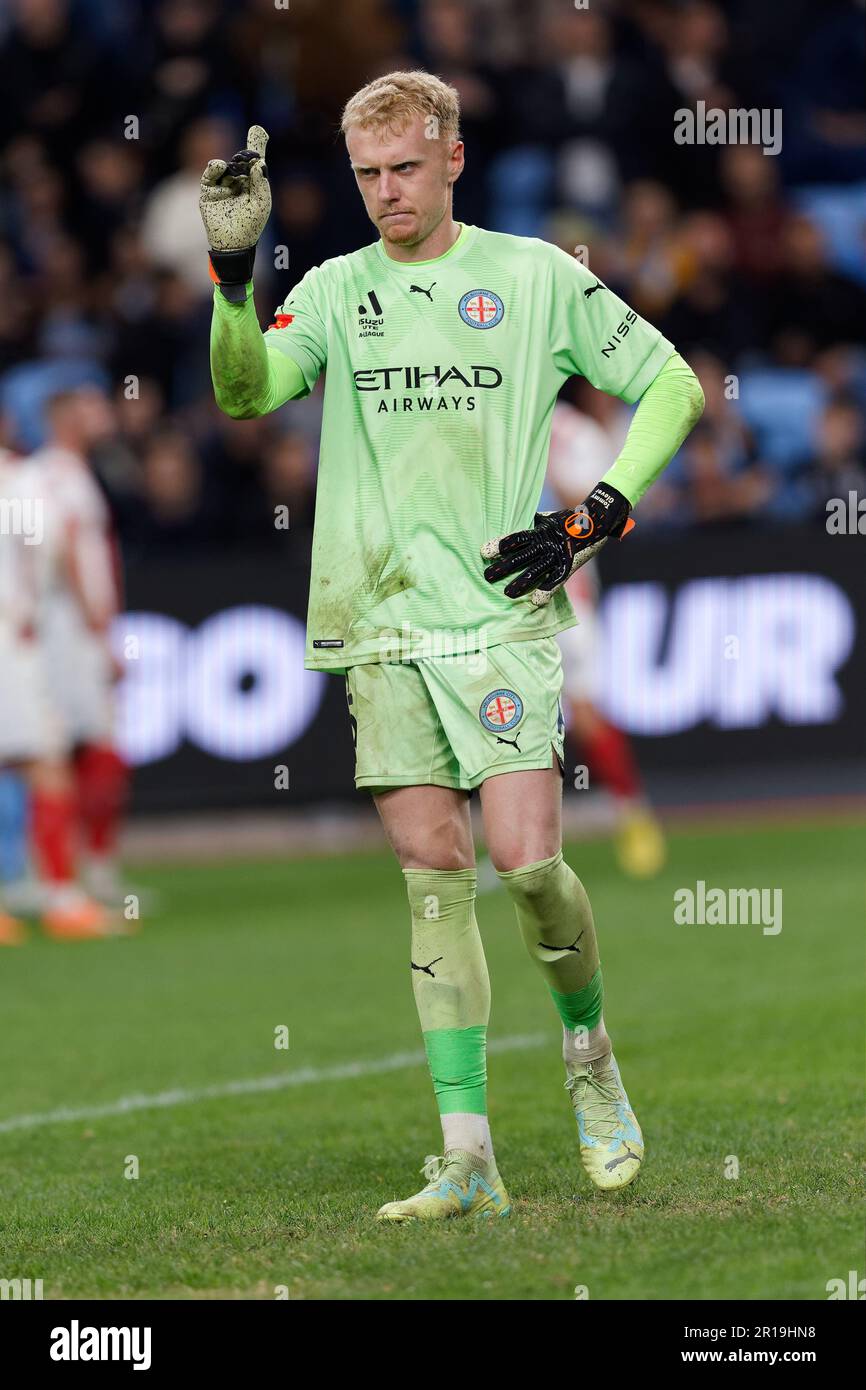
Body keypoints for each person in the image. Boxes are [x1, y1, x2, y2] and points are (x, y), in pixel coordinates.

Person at [202, 72, 704, 1221]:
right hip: (379, 623)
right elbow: (245, 393)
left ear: (452, 162)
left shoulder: (531, 275)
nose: (385, 193)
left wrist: (596, 513)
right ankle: (468, 1158)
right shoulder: (331, 292)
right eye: (367, 174)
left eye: (405, 170)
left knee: (526, 868)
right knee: (434, 883)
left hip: (499, 613)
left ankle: (587, 1053)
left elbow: (670, 384)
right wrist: (233, 281)